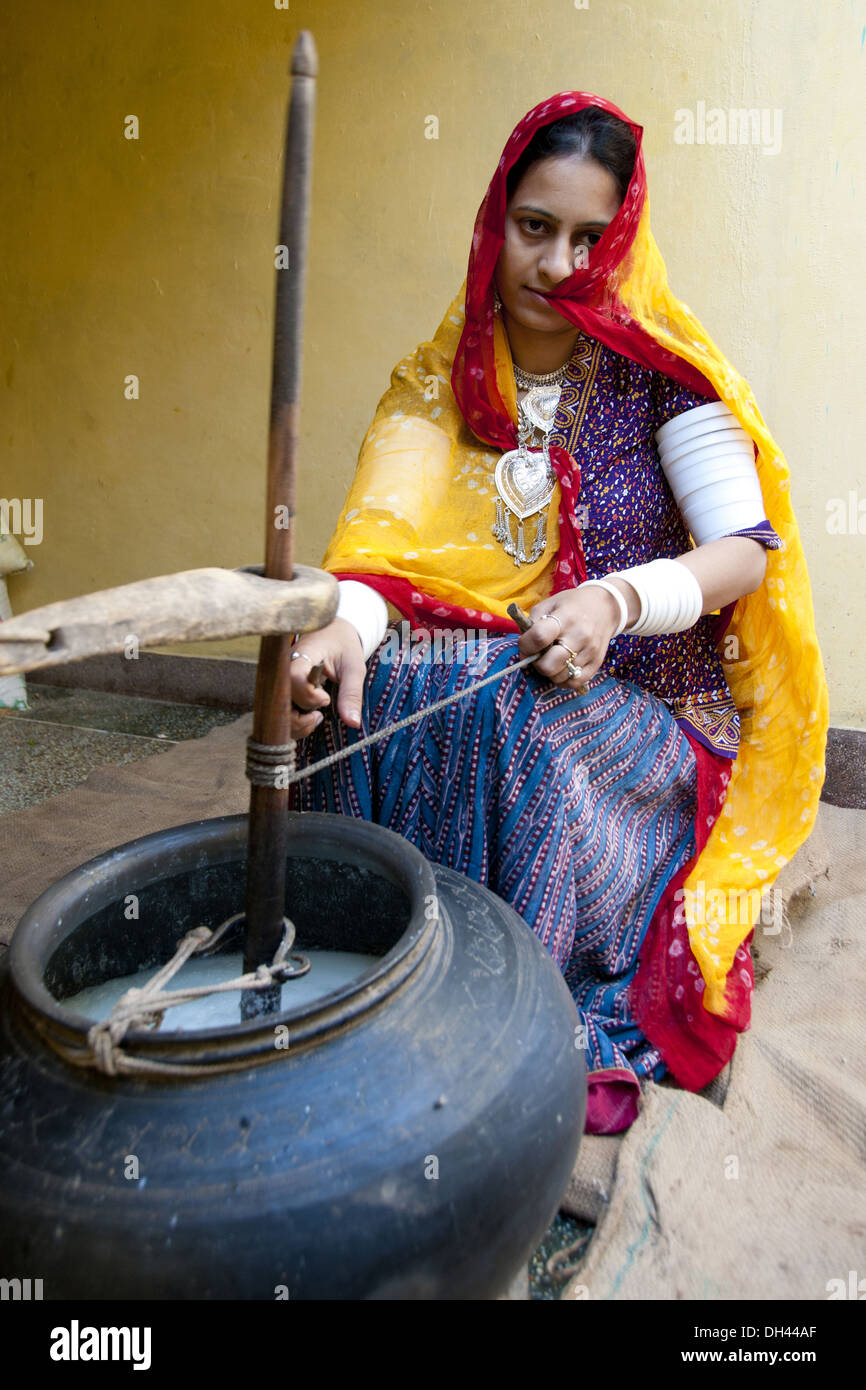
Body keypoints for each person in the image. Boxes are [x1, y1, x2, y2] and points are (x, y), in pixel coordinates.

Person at [286, 92, 828, 1134]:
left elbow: (740, 558)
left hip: (643, 707)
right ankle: (373, 960)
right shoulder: (440, 381)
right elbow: (383, 549)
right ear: (496, 221)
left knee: (510, 715)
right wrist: (339, 631)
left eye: (590, 237)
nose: (557, 264)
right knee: (364, 688)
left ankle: (510, 1004)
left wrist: (614, 599)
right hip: (497, 670)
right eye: (535, 228)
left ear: (622, 240)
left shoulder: (660, 376)